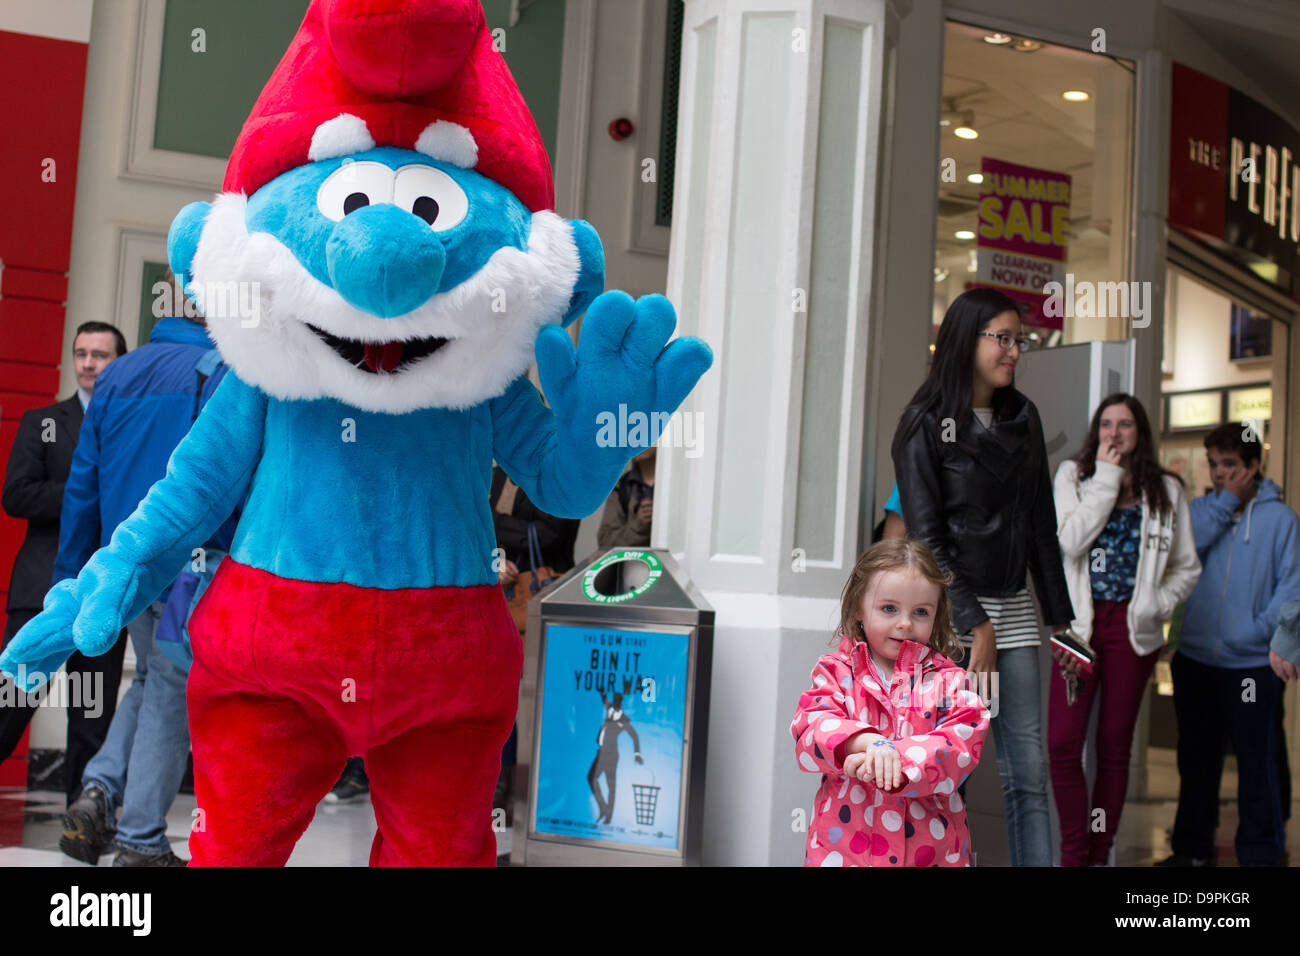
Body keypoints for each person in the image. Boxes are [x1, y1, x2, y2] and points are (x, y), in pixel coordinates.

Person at [891, 286, 1074, 867]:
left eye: (1020, 340)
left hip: (1014, 619)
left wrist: (1062, 621)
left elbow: (1041, 526)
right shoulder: (923, 423)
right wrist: (977, 625)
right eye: (1003, 338)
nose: (1014, 351)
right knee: (949, 776)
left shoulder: (1023, 417)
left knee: (1029, 776)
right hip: (954, 624)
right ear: (966, 340)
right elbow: (926, 539)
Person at [56, 295, 236, 868]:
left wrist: (72, 577)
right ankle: (140, 839)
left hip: (124, 563)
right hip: (189, 565)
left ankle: (98, 790)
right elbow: (222, 477)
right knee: (170, 692)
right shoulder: (220, 369)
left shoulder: (116, 375)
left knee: (151, 682)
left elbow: (82, 483)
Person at [1050, 394, 1200, 866]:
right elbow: (1069, 543)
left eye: (1126, 424)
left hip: (1133, 632)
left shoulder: (1168, 489)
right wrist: (1107, 477)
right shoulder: (1073, 476)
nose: (1115, 432)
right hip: (1079, 629)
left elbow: (1187, 566)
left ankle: (1100, 853)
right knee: (1063, 744)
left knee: (1114, 747)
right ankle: (1074, 853)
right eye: (1107, 424)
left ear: (1141, 433)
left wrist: (1159, 602)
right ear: (1096, 431)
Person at [791, 538, 990, 866]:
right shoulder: (836, 672)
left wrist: (893, 758)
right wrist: (867, 743)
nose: (905, 623)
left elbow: (962, 743)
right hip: (843, 850)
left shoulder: (949, 681)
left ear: (937, 615)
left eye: (921, 612)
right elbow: (810, 727)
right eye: (889, 608)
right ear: (859, 607)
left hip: (931, 854)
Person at [1159, 422, 1299, 867]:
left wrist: (1257, 631)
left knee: (1257, 763)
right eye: (1214, 464)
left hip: (1252, 666)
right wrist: (1225, 503)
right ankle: (1191, 852)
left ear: (1254, 466)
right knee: (1195, 762)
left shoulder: (1281, 520)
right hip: (1195, 660)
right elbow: (1182, 553)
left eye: (1230, 465)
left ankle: (1260, 854)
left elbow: (1291, 588)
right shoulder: (1200, 511)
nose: (1219, 472)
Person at [0, 322, 128, 800]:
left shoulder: (129, 427)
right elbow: (16, 494)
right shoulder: (43, 422)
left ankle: (82, 818)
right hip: (42, 588)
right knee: (10, 703)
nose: (88, 363)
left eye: (100, 355)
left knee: (92, 716)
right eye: (81, 353)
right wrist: (84, 494)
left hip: (103, 592)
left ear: (120, 362)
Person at [587, 689, 642, 824]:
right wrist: (603, 694)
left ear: (621, 703)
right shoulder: (609, 709)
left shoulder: (624, 720)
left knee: (611, 785)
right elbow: (605, 701)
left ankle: (609, 816)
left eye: (618, 701)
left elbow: (635, 736)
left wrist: (637, 754)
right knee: (591, 778)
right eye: (614, 700)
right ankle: (603, 808)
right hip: (601, 752)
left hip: (612, 755)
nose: (615, 703)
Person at [596, 447, 655, 548]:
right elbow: (606, 542)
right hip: (634, 558)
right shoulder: (621, 487)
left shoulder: (677, 485)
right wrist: (639, 524)